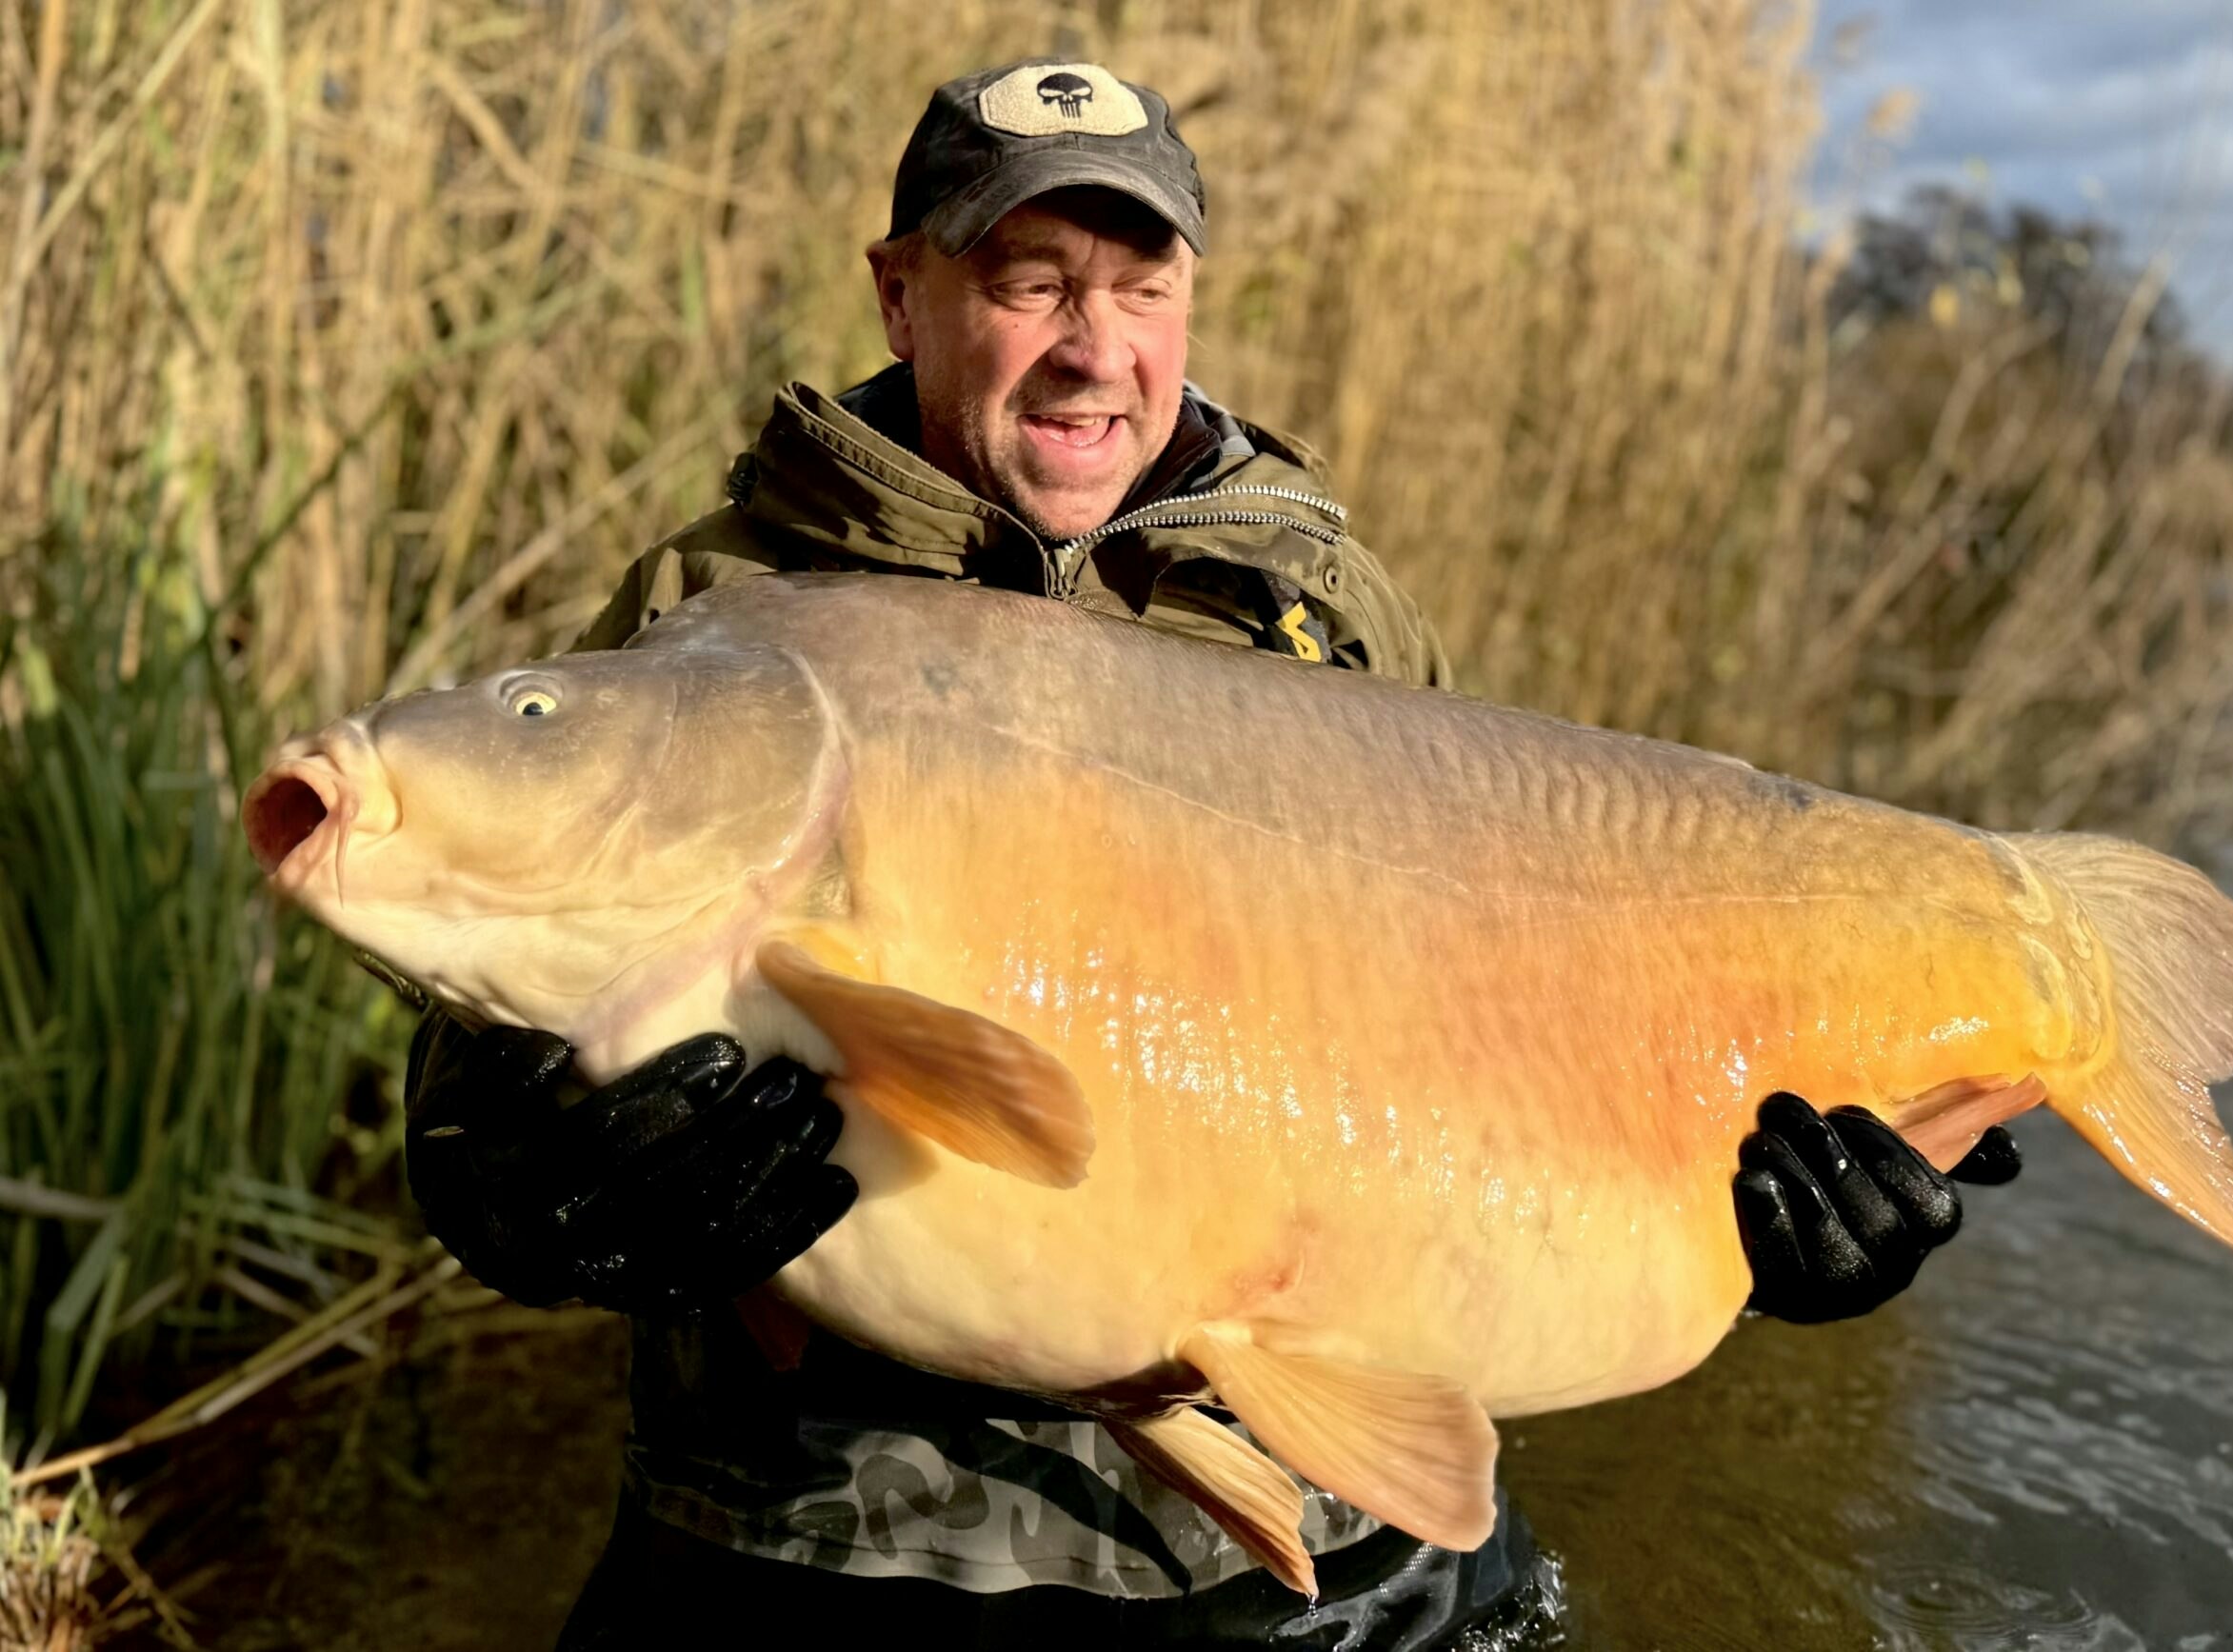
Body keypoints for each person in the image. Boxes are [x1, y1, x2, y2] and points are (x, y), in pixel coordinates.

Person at [403, 60, 2022, 1649]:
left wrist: (1767, 1214)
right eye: (1027, 281)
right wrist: (554, 1189)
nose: (1091, 349)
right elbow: (468, 1089)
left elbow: (1520, 1042)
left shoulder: (1330, 617)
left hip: (1306, 1533)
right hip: (826, 1542)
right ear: (904, 298)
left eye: (1141, 284)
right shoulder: (717, 610)